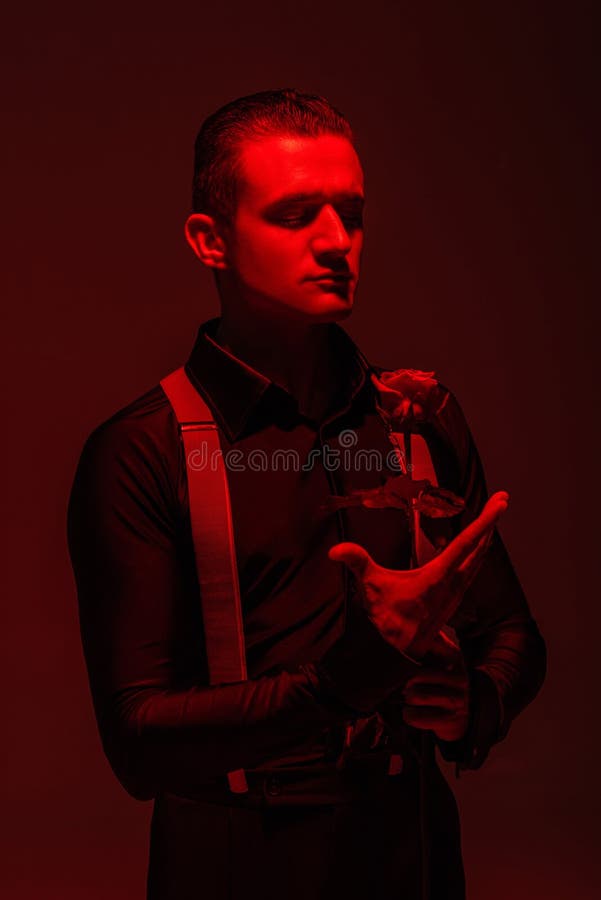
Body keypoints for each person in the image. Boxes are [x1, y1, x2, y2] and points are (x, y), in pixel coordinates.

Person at [67, 89, 546, 900]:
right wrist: (345, 681)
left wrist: (474, 702)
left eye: (350, 213)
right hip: (234, 862)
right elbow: (138, 741)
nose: (336, 242)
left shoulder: (415, 417)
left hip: (414, 854)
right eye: (295, 215)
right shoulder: (142, 449)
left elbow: (512, 635)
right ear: (209, 240)